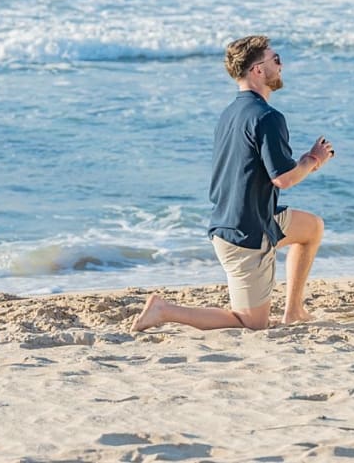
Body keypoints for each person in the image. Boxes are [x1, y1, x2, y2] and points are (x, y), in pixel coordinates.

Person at [131, 35, 334, 332]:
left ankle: (294, 311)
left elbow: (257, 171)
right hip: (246, 237)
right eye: (275, 59)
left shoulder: (230, 113)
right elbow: (284, 179)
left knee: (312, 228)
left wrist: (305, 163)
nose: (281, 64)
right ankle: (164, 310)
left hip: (245, 221)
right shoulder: (268, 117)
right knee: (251, 323)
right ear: (257, 70)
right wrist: (312, 159)